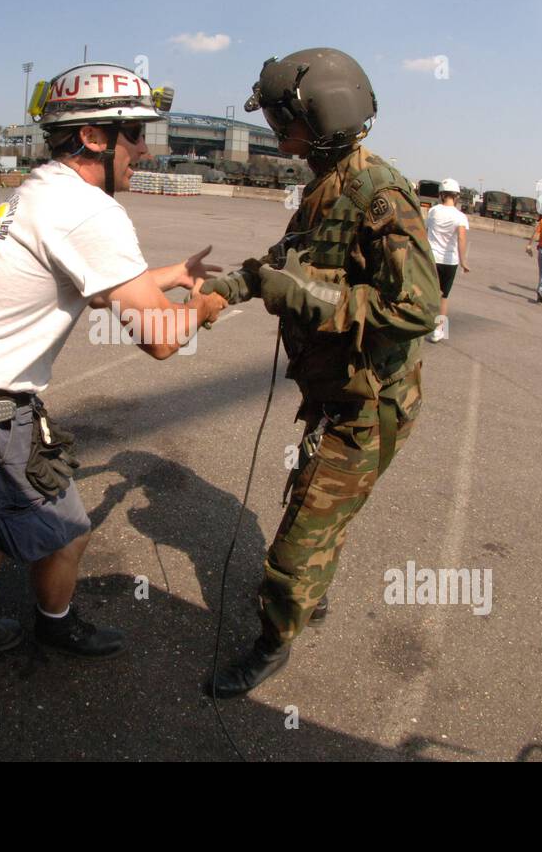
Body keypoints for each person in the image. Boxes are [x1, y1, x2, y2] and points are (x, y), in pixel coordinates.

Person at [0, 63, 229, 660]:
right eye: (133, 132)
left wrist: (172, 276)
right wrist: (212, 304)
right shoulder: (90, 211)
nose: (143, 147)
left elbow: (95, 279)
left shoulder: (41, 192)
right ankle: (56, 626)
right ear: (93, 138)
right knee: (67, 533)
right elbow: (161, 336)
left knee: (0, 517)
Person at [199, 48, 438, 696]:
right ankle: (310, 587)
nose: (278, 133)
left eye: (282, 120)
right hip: (337, 394)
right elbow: (280, 264)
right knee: (312, 507)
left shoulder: (379, 196)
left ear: (321, 114)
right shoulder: (325, 186)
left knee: (290, 550)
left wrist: (304, 294)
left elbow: (418, 308)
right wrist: (221, 291)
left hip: (368, 407)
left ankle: (274, 638)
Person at [424, 178, 470, 342]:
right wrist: (463, 261)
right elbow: (462, 238)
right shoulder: (460, 216)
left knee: (427, 291)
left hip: (431, 257)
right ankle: (438, 330)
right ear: (456, 196)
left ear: (441, 195)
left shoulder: (433, 211)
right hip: (450, 261)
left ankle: (419, 323)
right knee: (443, 296)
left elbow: (426, 231)